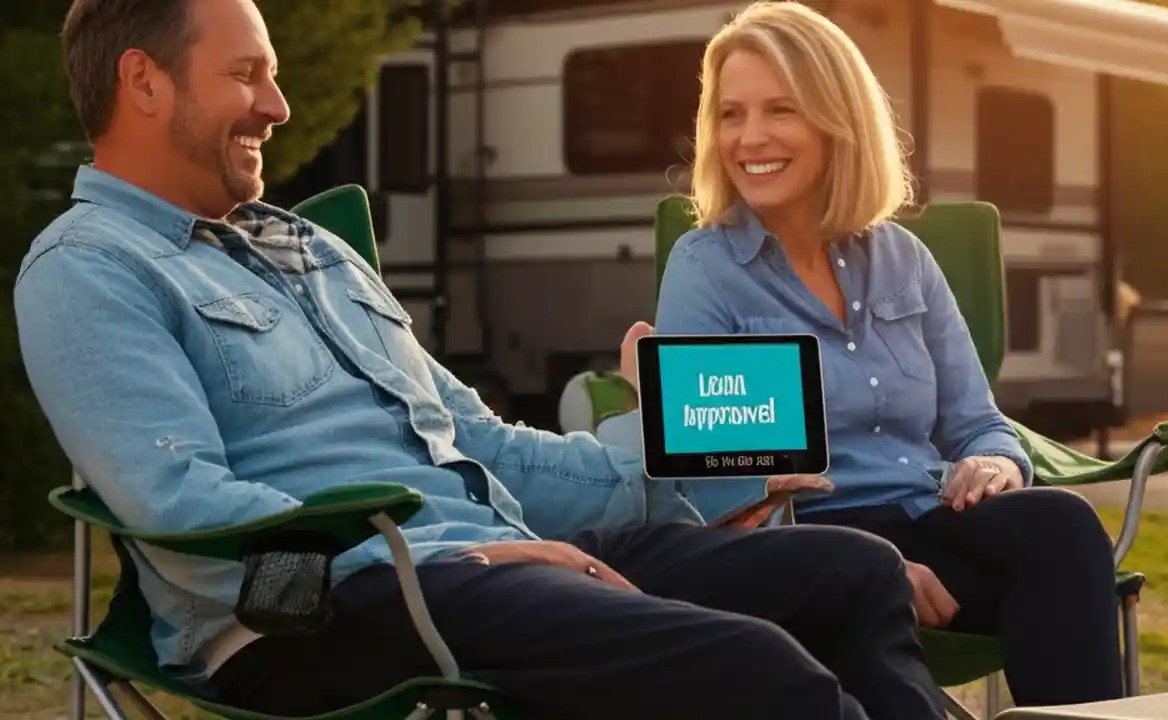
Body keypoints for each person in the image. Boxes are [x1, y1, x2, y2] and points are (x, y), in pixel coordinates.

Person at [13, 1, 947, 718]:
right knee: (755, 666)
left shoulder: (315, 254)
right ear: (144, 82)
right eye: (247, 74)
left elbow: (480, 445)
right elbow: (184, 508)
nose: (279, 104)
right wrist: (459, 554)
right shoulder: (91, 269)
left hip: (482, 567)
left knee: (854, 570)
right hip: (319, 615)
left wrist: (687, 456)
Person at [650, 0, 1123, 707]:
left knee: (1060, 526)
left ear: (838, 119)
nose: (749, 139)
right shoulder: (706, 268)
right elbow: (721, 491)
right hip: (808, 545)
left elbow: (977, 420)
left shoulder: (902, 258)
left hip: (928, 516)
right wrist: (878, 567)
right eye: (730, 114)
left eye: (780, 110)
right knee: (866, 604)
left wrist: (995, 461)